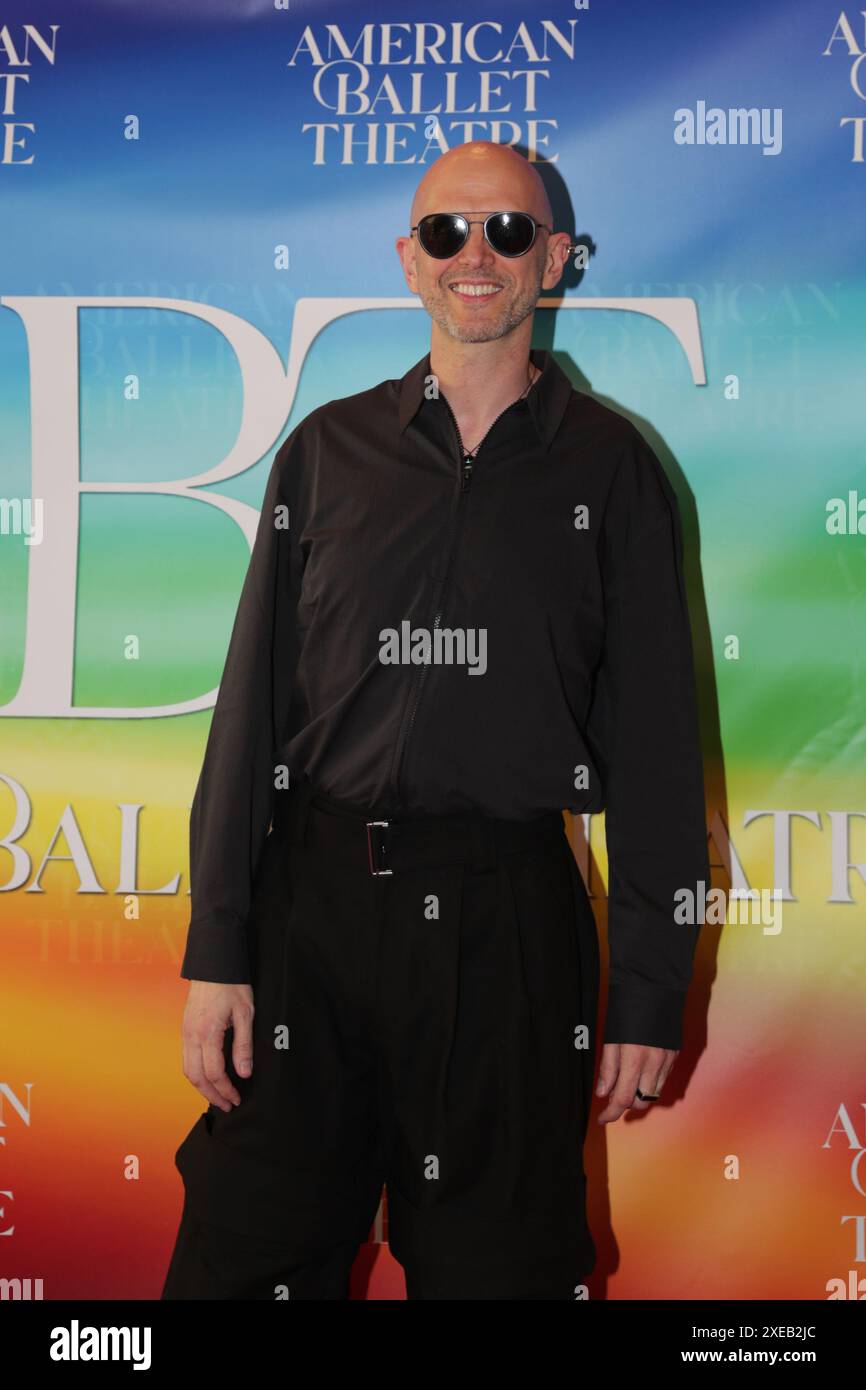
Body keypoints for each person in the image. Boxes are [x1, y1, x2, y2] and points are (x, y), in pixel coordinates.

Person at [161, 141, 710, 1301]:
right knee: (238, 1265)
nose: (477, 256)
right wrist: (218, 942)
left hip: (506, 934)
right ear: (408, 261)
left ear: (552, 261)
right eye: (448, 233)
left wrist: (650, 990)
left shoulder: (614, 472)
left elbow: (661, 751)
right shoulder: (326, 451)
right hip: (309, 921)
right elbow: (249, 709)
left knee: (498, 1278)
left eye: (508, 233)